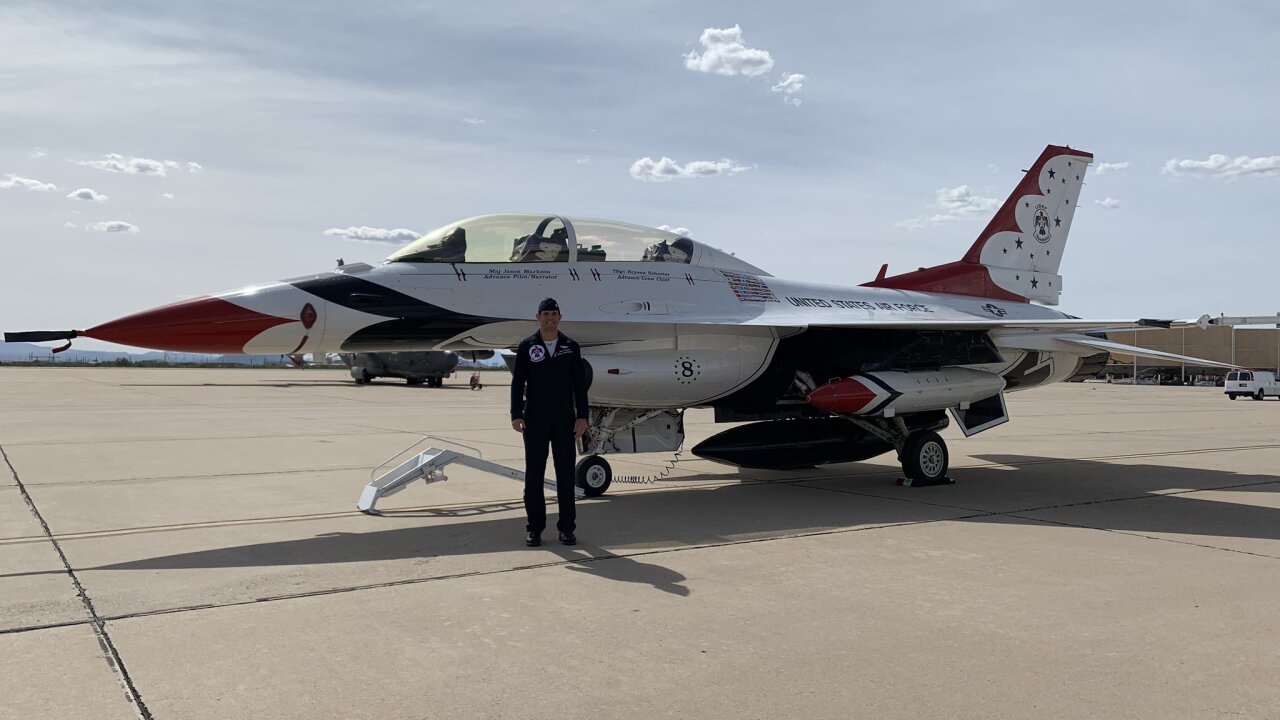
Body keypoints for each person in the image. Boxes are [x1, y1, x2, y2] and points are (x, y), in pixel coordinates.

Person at [510, 297, 589, 547]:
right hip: (535, 420)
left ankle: (566, 528)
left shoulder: (570, 347)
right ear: (538, 317)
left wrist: (582, 416)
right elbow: (517, 382)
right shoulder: (527, 346)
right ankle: (534, 528)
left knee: (565, 476)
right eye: (546, 314)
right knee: (534, 476)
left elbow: (580, 386)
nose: (550, 318)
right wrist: (516, 413)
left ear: (560, 317)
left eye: (554, 314)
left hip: (564, 419)